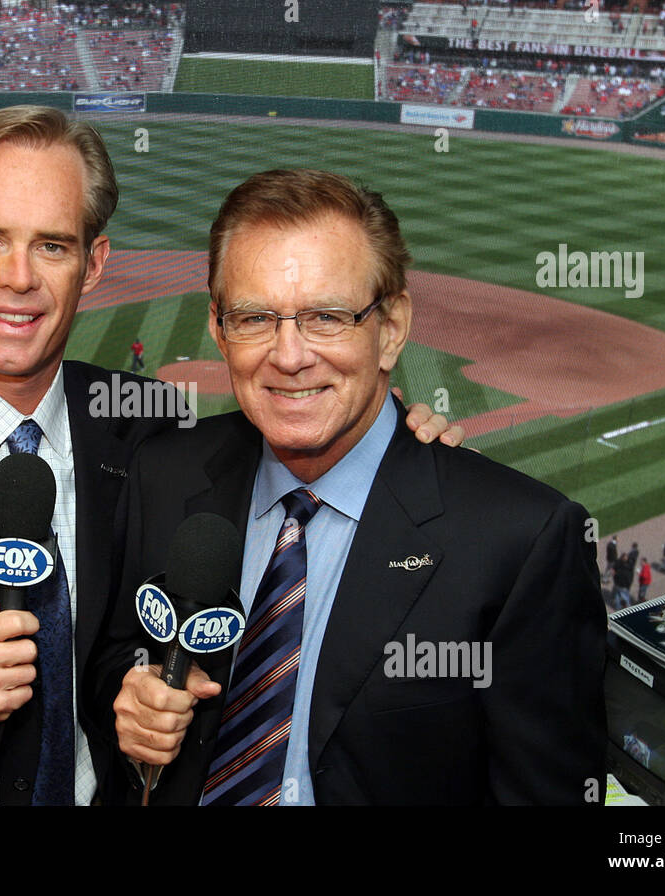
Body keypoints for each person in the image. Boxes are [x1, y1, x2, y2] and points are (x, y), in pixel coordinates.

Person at [0, 111, 462, 806]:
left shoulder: (148, 428)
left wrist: (397, 434)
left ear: (94, 263)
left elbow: (299, 421)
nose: (18, 278)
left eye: (53, 245)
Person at [98, 169, 606, 806]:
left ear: (391, 327)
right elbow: (116, 655)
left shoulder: (519, 541)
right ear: (219, 328)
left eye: (327, 317)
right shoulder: (165, 473)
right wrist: (132, 691)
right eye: (255, 318)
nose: (288, 356)